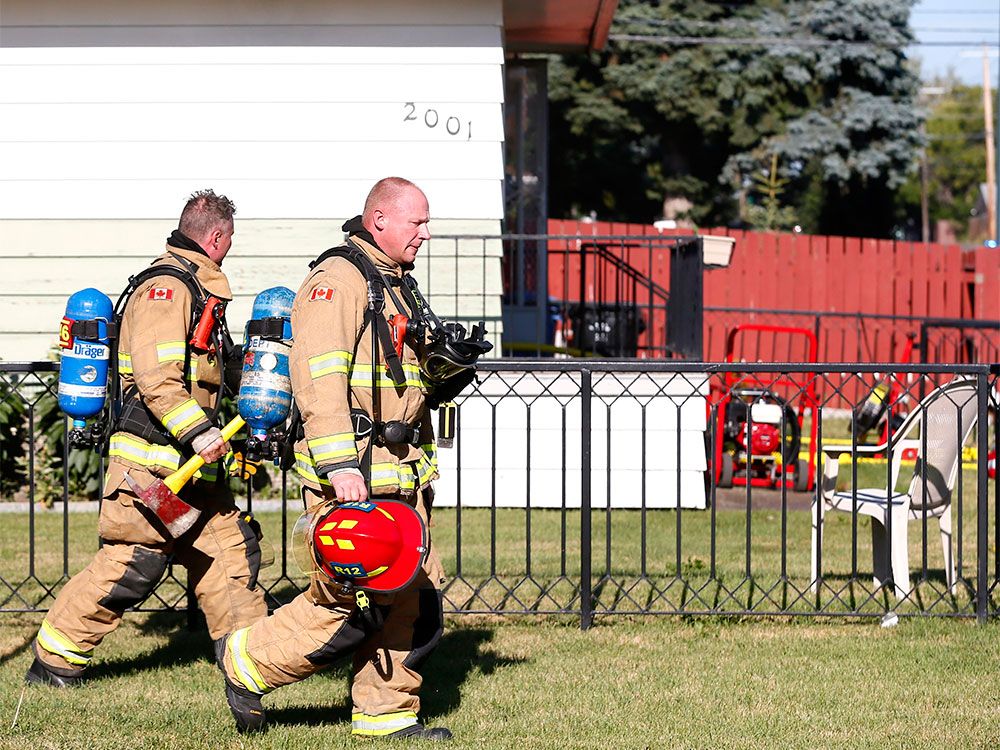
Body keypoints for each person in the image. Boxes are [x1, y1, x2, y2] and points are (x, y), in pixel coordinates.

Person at [215, 177, 488, 740]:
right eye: (418, 223)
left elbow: (395, 381)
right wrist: (339, 467)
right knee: (348, 605)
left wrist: (443, 371)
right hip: (357, 476)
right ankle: (248, 663)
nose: (426, 235)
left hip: (398, 473)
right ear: (380, 220)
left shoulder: (395, 284)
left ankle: (384, 713)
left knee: (413, 599)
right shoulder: (336, 282)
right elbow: (319, 381)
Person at [25, 189, 268, 687]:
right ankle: (53, 661)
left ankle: (251, 664)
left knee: (229, 553)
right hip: (151, 472)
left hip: (190, 472)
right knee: (132, 562)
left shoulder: (198, 291)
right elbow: (157, 378)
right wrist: (199, 431)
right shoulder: (168, 289)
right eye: (230, 241)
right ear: (217, 238)